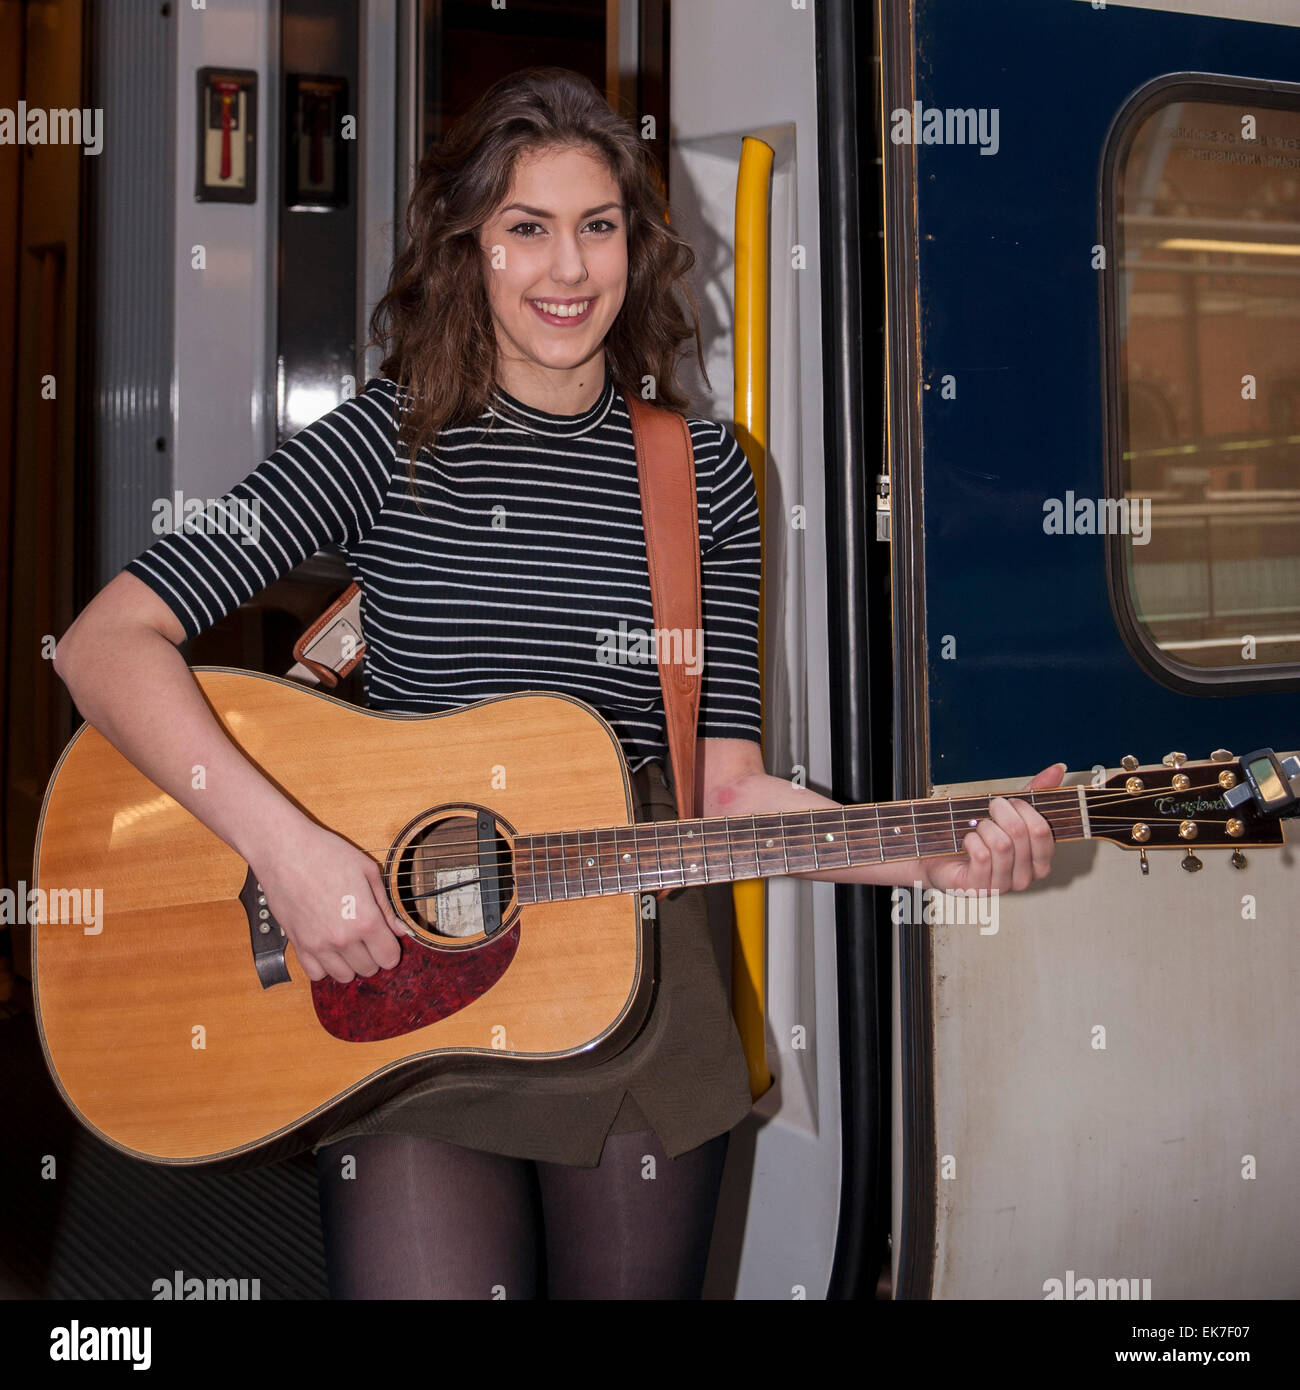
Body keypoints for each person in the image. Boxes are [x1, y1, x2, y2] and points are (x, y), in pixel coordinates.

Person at [51, 67, 1062, 1300]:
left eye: (599, 226)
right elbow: (104, 645)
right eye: (526, 227)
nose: (567, 268)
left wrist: (928, 859)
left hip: (635, 990)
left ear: (637, 248)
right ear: (466, 247)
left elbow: (724, 794)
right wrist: (289, 851)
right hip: (406, 989)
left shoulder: (704, 477)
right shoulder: (385, 440)